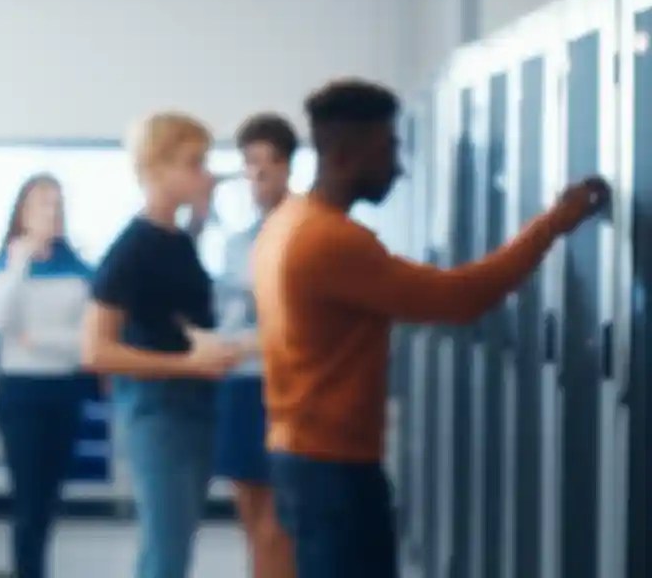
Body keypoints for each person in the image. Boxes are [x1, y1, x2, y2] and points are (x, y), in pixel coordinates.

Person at [252, 79, 610, 578]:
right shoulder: (329, 241)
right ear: (347, 154)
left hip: (300, 457)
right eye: (388, 148)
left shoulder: (285, 224)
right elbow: (459, 299)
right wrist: (551, 225)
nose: (397, 167)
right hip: (333, 469)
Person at [82, 111, 252, 578]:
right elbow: (96, 351)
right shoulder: (132, 248)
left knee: (174, 547)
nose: (207, 174)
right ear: (157, 171)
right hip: (159, 412)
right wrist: (190, 365)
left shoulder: (177, 239)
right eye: (195, 163)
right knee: (166, 552)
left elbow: (177, 320)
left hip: (191, 408)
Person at [0, 173, 93, 578]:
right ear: (22, 212)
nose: (51, 211)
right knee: (26, 500)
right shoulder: (5, 266)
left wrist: (36, 338)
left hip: (64, 390)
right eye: (42, 203)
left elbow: (86, 340)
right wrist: (20, 260)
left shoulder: (79, 270)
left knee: (47, 500)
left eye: (57, 203)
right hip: (20, 394)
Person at [206, 114, 297, 578]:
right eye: (250, 163)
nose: (259, 174)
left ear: (288, 167)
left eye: (269, 162)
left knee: (279, 523)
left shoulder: (305, 232)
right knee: (251, 516)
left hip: (286, 388)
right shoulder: (235, 244)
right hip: (241, 388)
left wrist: (248, 342)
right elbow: (226, 316)